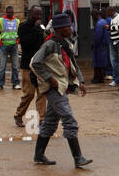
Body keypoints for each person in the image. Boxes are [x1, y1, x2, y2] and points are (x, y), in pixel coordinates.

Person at [29, 12, 91, 167]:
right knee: (69, 120)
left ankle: (39, 155)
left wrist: (80, 81)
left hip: (62, 87)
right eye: (68, 26)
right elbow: (35, 63)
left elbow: (73, 65)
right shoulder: (49, 44)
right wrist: (50, 79)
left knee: (50, 122)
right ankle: (78, 158)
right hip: (54, 89)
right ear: (60, 28)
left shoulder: (65, 43)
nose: (71, 28)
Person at [14, 6, 48, 128]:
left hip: (39, 66)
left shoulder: (39, 28)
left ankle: (42, 119)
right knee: (29, 93)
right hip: (27, 65)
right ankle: (18, 115)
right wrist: (36, 28)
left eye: (40, 15)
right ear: (30, 14)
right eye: (36, 15)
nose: (38, 17)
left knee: (42, 93)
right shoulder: (23, 27)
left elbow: (42, 43)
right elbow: (27, 43)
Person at [0, 5, 21, 90]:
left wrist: (18, 41)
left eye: (11, 13)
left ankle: (15, 83)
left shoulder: (17, 21)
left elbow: (20, 32)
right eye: (9, 13)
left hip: (14, 46)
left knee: (15, 66)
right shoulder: (0, 21)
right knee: (2, 66)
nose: (10, 14)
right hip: (3, 46)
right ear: (6, 12)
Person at [91, 7, 112, 84]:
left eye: (92, 16)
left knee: (98, 62)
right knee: (102, 62)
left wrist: (94, 44)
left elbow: (97, 37)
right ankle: (101, 77)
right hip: (105, 45)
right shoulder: (104, 21)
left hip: (100, 46)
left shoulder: (99, 23)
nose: (92, 18)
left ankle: (98, 78)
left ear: (95, 15)